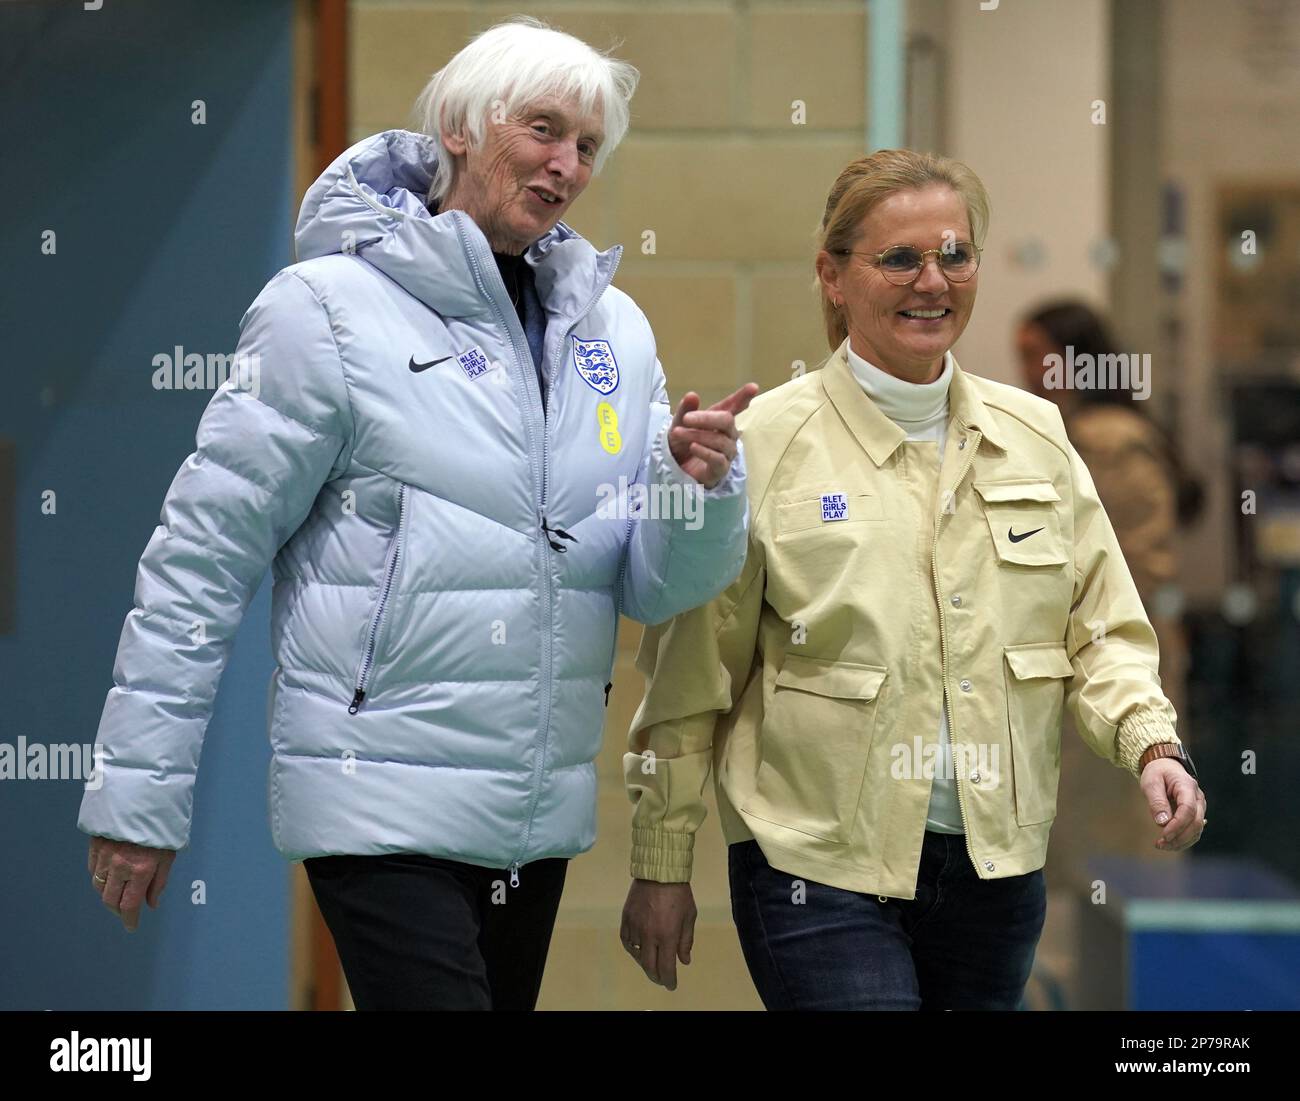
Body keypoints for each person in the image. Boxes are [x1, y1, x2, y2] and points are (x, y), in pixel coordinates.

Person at [79, 16, 756, 1011]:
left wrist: (693, 488)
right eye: (543, 130)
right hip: (376, 799)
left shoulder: (612, 331)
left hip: (531, 813)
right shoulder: (326, 310)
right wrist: (141, 795)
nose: (567, 164)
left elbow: (656, 589)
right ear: (459, 126)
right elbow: (202, 556)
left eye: (587, 146)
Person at [619, 150, 1205, 1010]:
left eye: (955, 255)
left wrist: (1153, 744)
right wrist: (661, 857)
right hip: (816, 868)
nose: (932, 281)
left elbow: (1101, 629)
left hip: (996, 869)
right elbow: (692, 669)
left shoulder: (1036, 434)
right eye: (899, 258)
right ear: (832, 275)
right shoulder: (767, 443)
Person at [1015, 300, 1201, 892]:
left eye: (1035, 355)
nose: (1027, 370)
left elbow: (1125, 567)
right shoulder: (1076, 433)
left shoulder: (1108, 442)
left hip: (1109, 654)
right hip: (1092, 652)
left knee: (1109, 833)